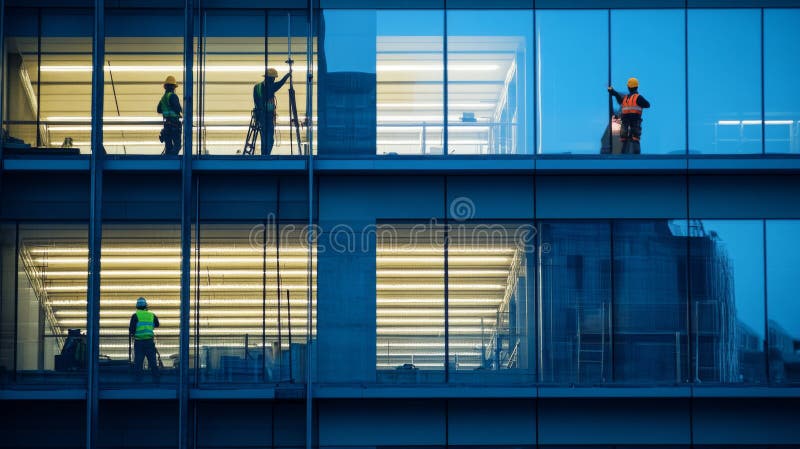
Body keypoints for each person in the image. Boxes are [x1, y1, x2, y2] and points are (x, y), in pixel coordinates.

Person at [608, 77, 650, 155]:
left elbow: (619, 98)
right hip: (634, 122)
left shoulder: (626, 98)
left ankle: (624, 157)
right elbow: (647, 105)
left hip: (626, 123)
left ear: (628, 87)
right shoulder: (637, 97)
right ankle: (635, 157)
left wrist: (613, 92)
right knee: (635, 139)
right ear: (637, 87)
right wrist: (614, 92)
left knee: (626, 140)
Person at [253, 68, 290, 155]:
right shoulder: (270, 87)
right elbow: (280, 83)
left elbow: (256, 101)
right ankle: (266, 155)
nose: (274, 80)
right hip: (267, 116)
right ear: (269, 78)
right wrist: (287, 75)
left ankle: (264, 154)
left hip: (260, 116)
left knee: (264, 137)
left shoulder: (257, 87)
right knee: (269, 138)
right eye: (273, 78)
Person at [129, 297, 160, 382]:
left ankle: (138, 381)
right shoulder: (151, 315)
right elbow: (157, 324)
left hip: (139, 343)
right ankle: (156, 380)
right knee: (153, 361)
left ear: (137, 306)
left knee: (138, 362)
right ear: (146, 306)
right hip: (149, 342)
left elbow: (131, 329)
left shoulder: (135, 316)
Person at [157, 75, 182, 155]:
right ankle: (172, 159)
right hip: (174, 124)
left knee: (169, 146)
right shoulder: (172, 96)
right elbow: (178, 109)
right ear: (174, 87)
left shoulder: (163, 98)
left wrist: (166, 109)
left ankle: (168, 160)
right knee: (177, 145)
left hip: (167, 125)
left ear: (165, 87)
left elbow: (159, 110)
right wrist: (180, 114)